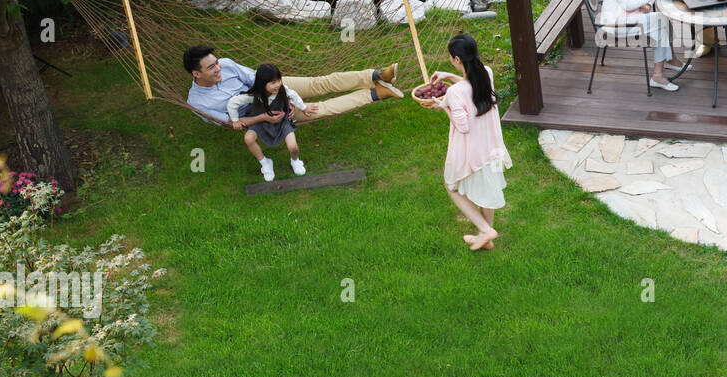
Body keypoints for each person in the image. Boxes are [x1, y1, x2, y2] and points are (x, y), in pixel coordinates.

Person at [422, 34, 513, 251]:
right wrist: (450, 76)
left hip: (471, 151)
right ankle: (486, 239)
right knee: (487, 192)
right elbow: (470, 83)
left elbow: (463, 127)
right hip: (491, 147)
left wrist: (443, 107)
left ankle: (485, 229)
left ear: (456, 59)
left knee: (451, 186)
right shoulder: (487, 73)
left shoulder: (454, 93)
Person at [184, 44, 403, 129]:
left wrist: (280, 95)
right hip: (261, 114)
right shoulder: (196, 102)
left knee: (320, 83)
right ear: (196, 73)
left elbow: (254, 78)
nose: (219, 68)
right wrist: (266, 115)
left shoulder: (228, 65)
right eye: (212, 67)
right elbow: (231, 123)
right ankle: (377, 93)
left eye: (217, 63)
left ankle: (376, 74)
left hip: (268, 86)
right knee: (321, 108)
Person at [225, 63, 308, 181]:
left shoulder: (282, 90)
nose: (278, 84)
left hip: (281, 122)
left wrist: (304, 108)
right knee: (248, 138)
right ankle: (265, 162)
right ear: (262, 84)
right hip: (260, 122)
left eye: (279, 80)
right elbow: (233, 103)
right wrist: (235, 120)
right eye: (273, 82)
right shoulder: (255, 96)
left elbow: (293, 95)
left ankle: (295, 160)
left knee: (293, 147)